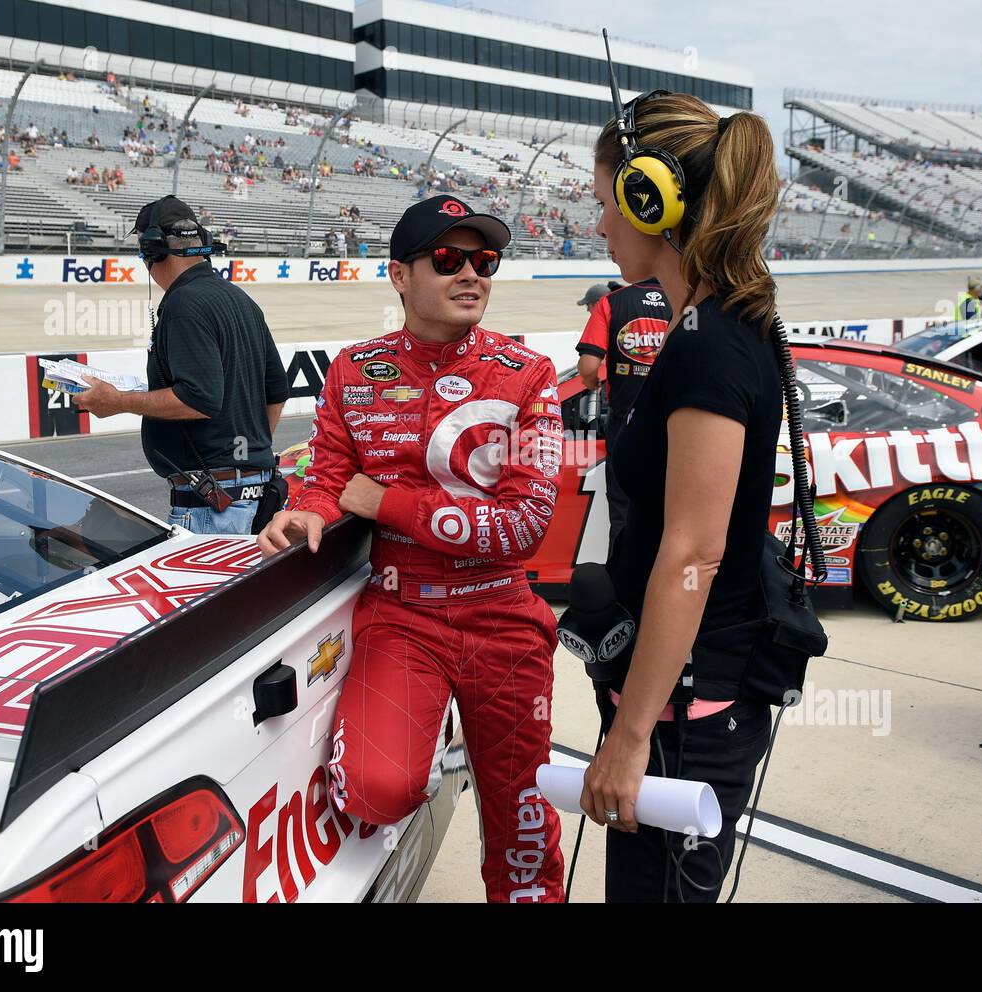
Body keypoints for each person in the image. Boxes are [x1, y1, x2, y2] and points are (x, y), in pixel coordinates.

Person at [256, 194, 566, 903]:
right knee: (374, 792)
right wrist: (302, 510)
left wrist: (383, 500)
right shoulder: (352, 370)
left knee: (522, 828)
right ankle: (436, 728)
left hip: (503, 619)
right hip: (402, 618)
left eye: (484, 261)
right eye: (448, 259)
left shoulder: (529, 374)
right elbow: (326, 477)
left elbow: (522, 528)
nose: (471, 275)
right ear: (400, 276)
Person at [578, 90, 784, 902]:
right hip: (682, 705)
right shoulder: (718, 325)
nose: (599, 228)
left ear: (648, 200)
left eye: (604, 205)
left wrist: (629, 742)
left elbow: (694, 551)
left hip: (680, 721)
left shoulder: (707, 347)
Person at [74, 195, 288, 535]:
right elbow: (277, 390)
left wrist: (117, 403)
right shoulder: (240, 299)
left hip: (214, 507)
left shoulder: (184, 304)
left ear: (153, 250)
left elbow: (198, 398)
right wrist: (246, 456)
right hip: (253, 496)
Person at [576, 279, 672, 558]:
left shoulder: (612, 301)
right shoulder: (686, 297)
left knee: (623, 511)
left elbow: (589, 366)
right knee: (672, 512)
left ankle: (624, 585)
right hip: (676, 425)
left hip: (627, 424)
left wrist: (592, 382)